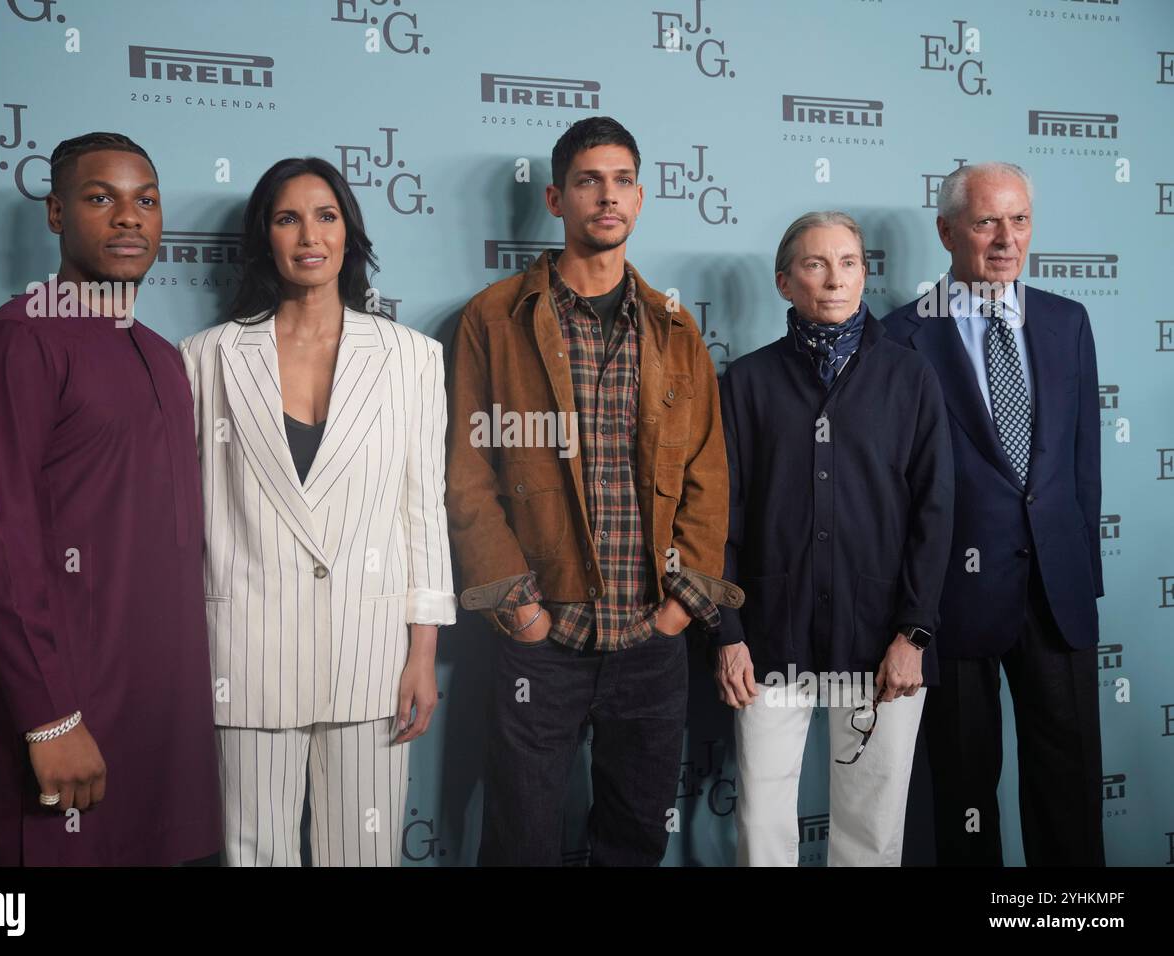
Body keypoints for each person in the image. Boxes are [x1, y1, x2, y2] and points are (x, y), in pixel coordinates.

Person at [446, 116, 741, 866]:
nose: (605, 198)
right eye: (587, 181)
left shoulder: (675, 329)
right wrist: (518, 606)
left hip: (651, 638)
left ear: (639, 199)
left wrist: (681, 610)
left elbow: (709, 474)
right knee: (522, 841)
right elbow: (469, 471)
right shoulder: (495, 317)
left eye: (620, 183)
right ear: (555, 197)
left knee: (635, 839)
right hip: (542, 639)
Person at [0, 132, 222, 865]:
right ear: (57, 215)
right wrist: (49, 720)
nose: (129, 217)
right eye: (102, 198)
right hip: (69, 715)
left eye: (147, 201)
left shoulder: (164, 357)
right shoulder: (16, 344)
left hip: (165, 719)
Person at [180, 157, 456, 867]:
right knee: (253, 856)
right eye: (287, 217)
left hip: (370, 658)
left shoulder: (411, 359)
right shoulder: (205, 359)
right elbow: (184, 524)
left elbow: (423, 512)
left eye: (326, 215)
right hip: (244, 657)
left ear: (349, 232)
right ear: (264, 237)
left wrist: (421, 653)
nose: (310, 234)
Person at [882, 162, 1105, 866]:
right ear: (947, 231)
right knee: (966, 797)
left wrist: (1083, 578)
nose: (1006, 239)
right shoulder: (901, 337)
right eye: (985, 222)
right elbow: (897, 490)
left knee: (1067, 791)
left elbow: (1082, 467)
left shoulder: (1069, 322)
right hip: (953, 603)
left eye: (1019, 220)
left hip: (1055, 597)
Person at [715, 211, 953, 866]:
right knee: (762, 820)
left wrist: (915, 635)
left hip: (882, 638)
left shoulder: (910, 379)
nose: (834, 279)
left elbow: (935, 515)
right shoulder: (748, 383)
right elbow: (719, 517)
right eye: (815, 265)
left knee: (872, 829)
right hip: (769, 632)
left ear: (864, 274)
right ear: (785, 281)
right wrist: (729, 633)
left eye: (848, 262)